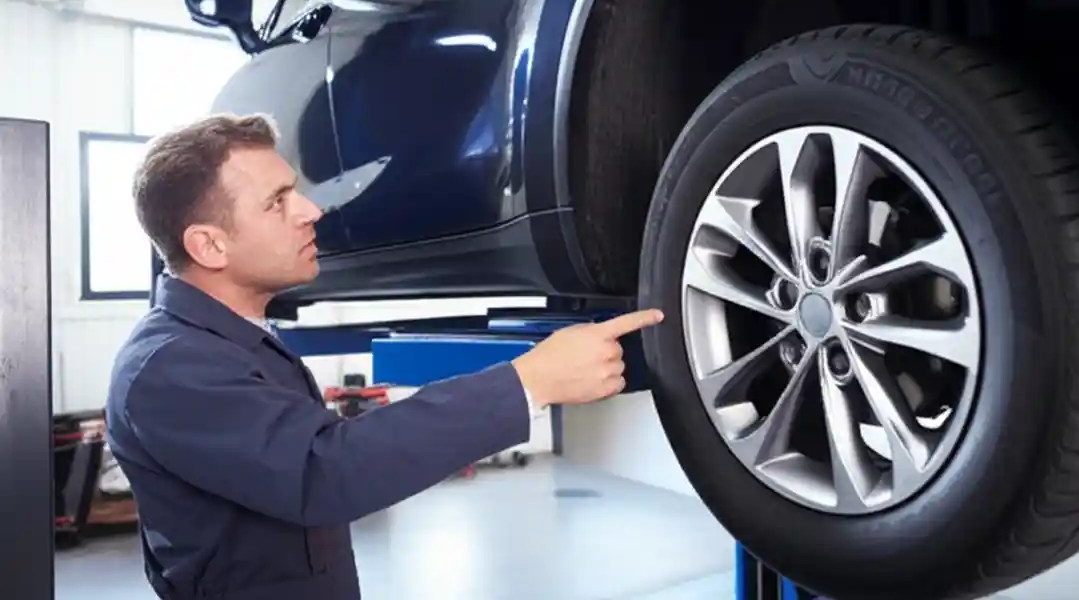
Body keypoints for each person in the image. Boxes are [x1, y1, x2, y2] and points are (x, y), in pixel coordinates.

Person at [105, 112, 664, 600]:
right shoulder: (168, 368)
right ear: (209, 245)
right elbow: (325, 470)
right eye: (278, 202)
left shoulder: (223, 340)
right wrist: (528, 382)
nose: (311, 211)